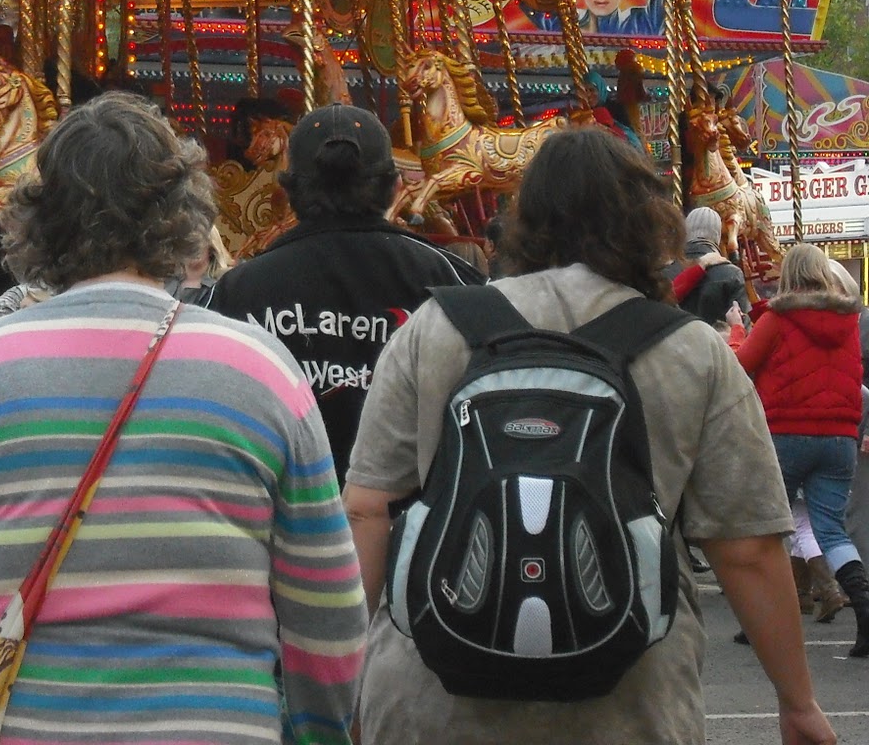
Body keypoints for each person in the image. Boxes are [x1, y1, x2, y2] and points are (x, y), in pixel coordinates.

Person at [0, 92, 367, 745]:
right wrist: (316, 731)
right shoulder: (263, 372)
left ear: (39, 216)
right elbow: (328, 617)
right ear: (182, 214)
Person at [343, 128, 833, 744]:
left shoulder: (434, 329)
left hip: (432, 699)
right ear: (648, 220)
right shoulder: (692, 350)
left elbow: (367, 509)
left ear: (525, 219)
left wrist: (344, 681)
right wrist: (798, 701)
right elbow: (748, 549)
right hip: (629, 700)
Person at [208, 103, 484, 483]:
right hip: (413, 519)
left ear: (288, 191)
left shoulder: (236, 291)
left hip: (280, 509)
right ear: (395, 187)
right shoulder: (451, 281)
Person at [735, 241, 869, 657]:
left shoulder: (778, 319)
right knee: (830, 528)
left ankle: (763, 622)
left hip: (786, 434)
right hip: (840, 438)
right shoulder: (848, 321)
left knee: (768, 526)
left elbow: (742, 367)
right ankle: (864, 609)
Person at [674, 206, 751, 327]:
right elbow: (742, 328)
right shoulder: (731, 273)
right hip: (717, 344)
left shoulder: (665, 270)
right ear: (717, 235)